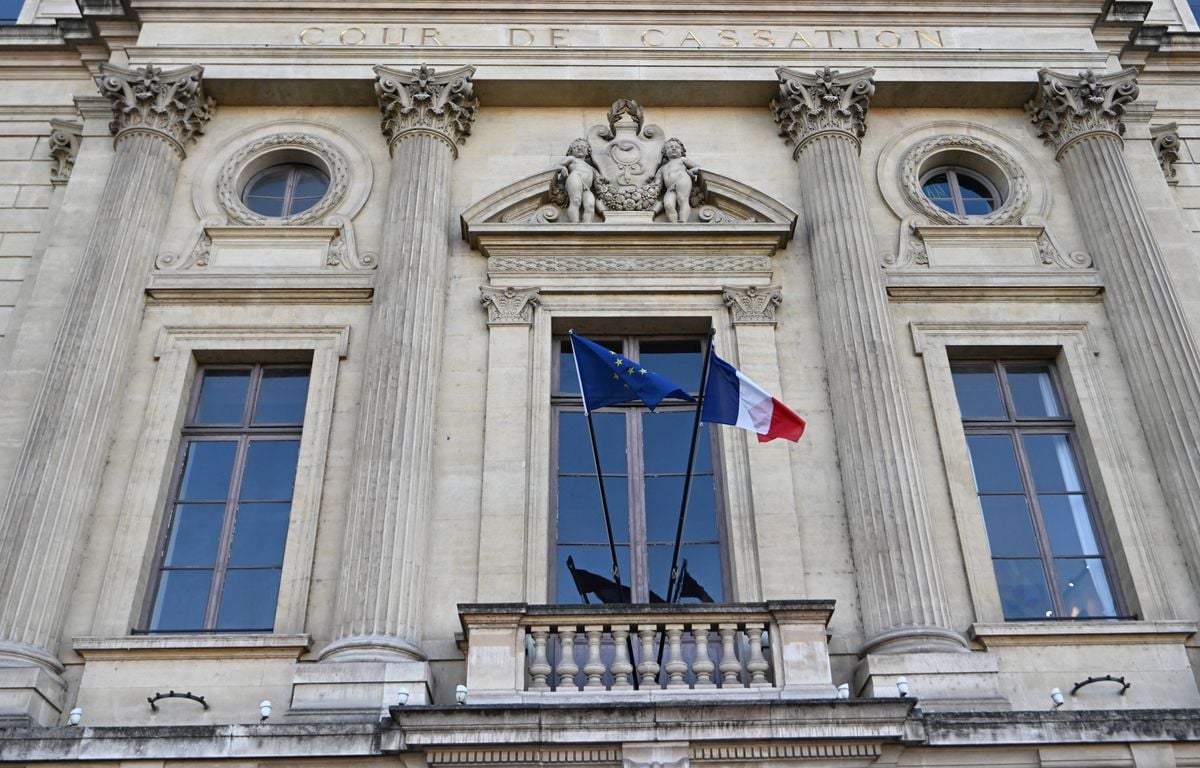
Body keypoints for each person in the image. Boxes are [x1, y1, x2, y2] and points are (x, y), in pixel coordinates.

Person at [654, 138, 700, 222]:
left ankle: (683, 221)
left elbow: (698, 168)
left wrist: (690, 171)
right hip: (669, 188)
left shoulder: (682, 160)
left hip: (681, 179)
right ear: (665, 152)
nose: (673, 148)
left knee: (682, 199)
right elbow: (657, 183)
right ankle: (674, 224)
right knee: (668, 204)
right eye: (669, 147)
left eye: (677, 147)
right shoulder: (662, 168)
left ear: (682, 151)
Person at [555, 138, 598, 223]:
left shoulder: (591, 167)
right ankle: (575, 223)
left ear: (588, 151)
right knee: (576, 200)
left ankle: (587, 226)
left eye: (583, 146)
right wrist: (562, 168)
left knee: (590, 205)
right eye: (575, 147)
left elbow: (601, 179)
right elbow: (555, 166)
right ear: (571, 151)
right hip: (575, 178)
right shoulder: (572, 159)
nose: (579, 148)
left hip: (587, 187)